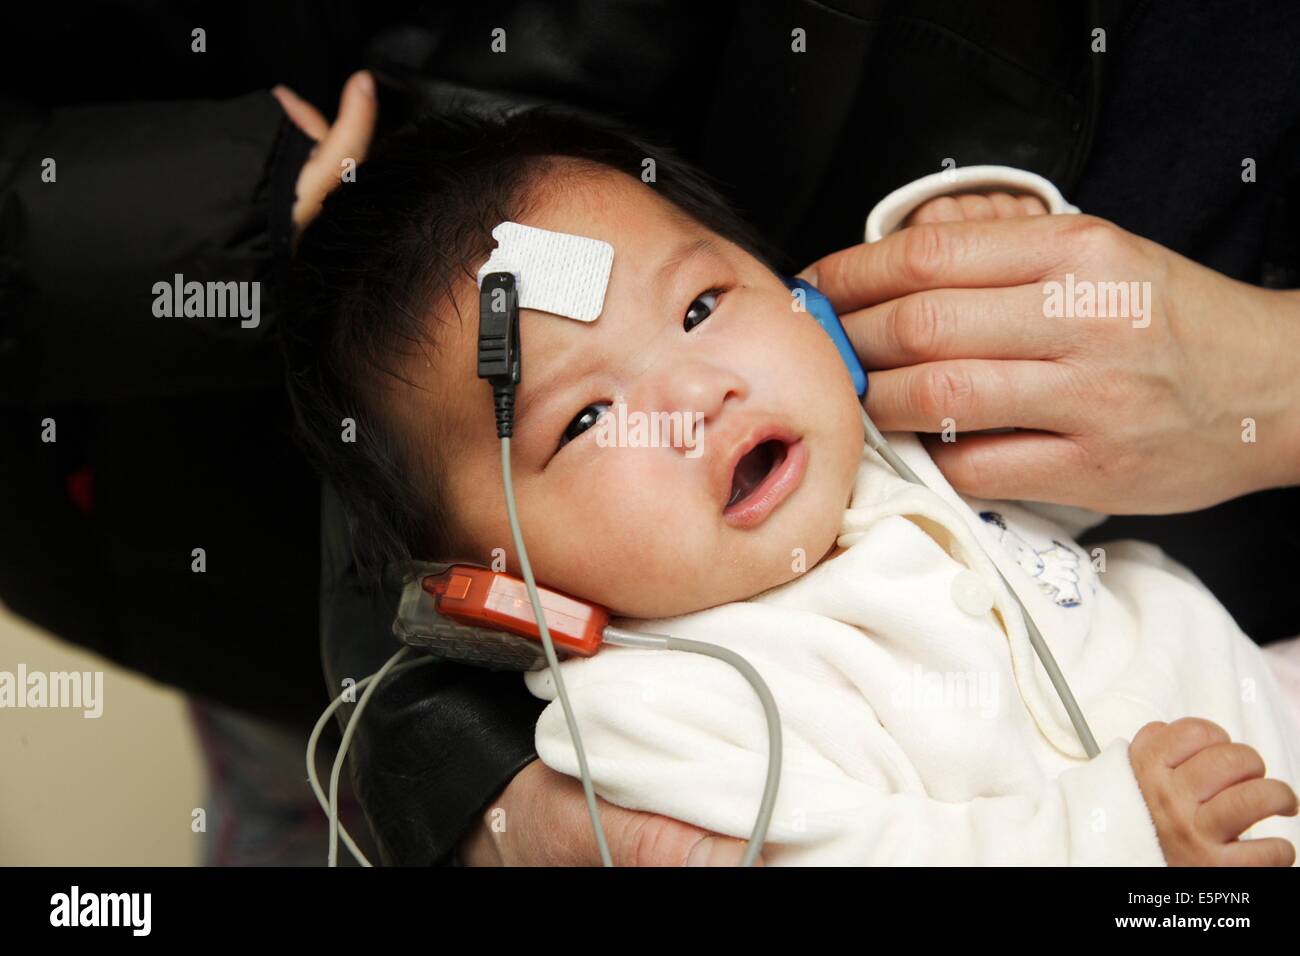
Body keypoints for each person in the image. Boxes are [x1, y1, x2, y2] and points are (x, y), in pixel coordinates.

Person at [281, 107, 1300, 865]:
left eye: (700, 305)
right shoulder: (654, 710)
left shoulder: (888, 449)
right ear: (489, 586)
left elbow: (1076, 436)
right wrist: (1119, 836)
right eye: (586, 418)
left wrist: (984, 226)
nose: (697, 392)